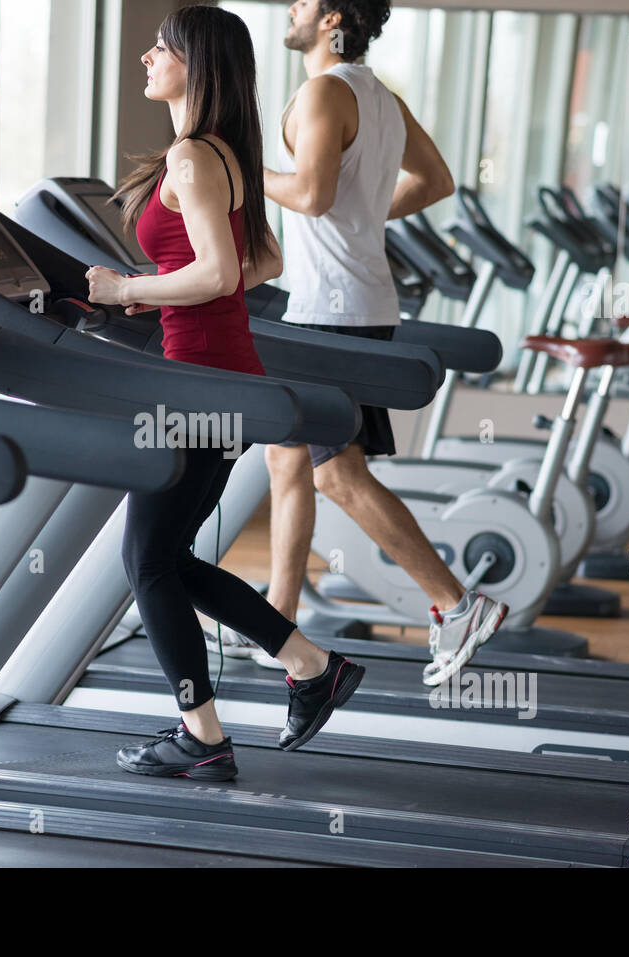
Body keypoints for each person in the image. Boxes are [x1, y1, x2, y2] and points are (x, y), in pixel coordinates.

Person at [85, 4, 366, 780]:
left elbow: (217, 272)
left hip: (201, 383)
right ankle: (307, 666)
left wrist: (126, 288)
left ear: (194, 64)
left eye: (161, 48)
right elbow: (262, 261)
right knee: (164, 558)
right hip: (219, 377)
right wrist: (170, 293)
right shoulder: (223, 152)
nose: (146, 57)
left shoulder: (191, 159)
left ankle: (206, 735)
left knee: (146, 561)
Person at [213, 0, 507, 688]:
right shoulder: (379, 98)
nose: (291, 7)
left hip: (332, 313)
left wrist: (239, 171)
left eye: (304, 2)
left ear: (332, 16)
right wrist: (365, 211)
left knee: (335, 472)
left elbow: (312, 196)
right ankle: (276, 619)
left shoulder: (323, 92)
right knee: (289, 463)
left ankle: (459, 604)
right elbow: (436, 182)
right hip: (351, 301)